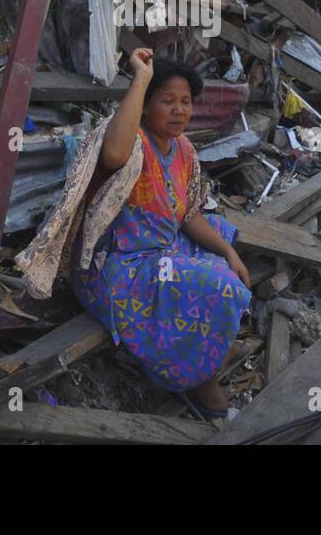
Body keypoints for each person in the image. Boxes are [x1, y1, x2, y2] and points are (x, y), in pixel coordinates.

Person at [69, 49, 251, 417]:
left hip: (163, 250)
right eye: (167, 101)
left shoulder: (182, 148)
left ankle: (210, 350)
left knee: (223, 237)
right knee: (223, 286)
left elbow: (188, 215)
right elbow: (113, 155)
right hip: (121, 268)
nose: (179, 110)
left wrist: (230, 254)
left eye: (185, 102)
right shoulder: (132, 141)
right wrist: (139, 76)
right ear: (146, 104)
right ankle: (197, 378)